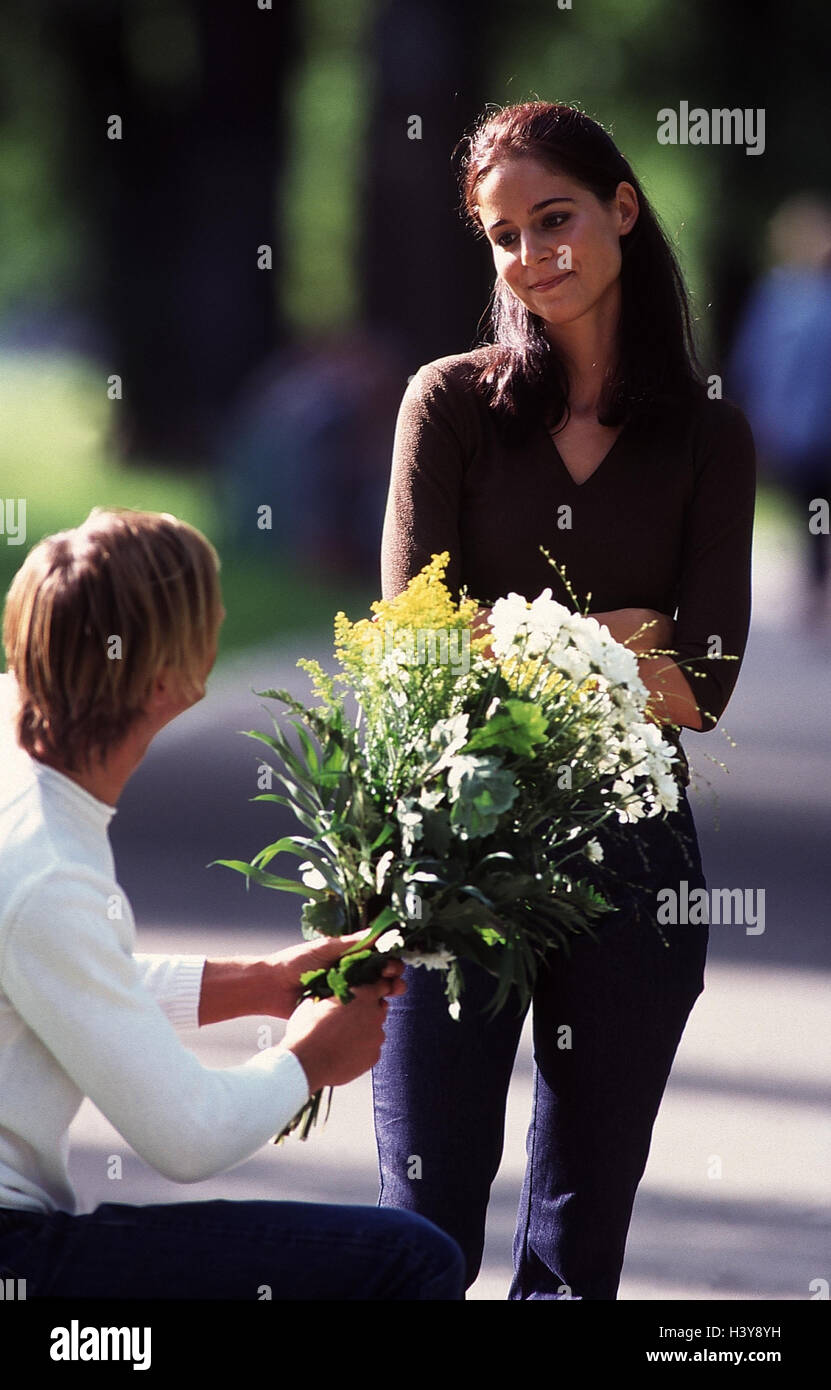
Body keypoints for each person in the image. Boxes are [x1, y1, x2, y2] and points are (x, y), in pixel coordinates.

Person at [371, 101, 756, 1299]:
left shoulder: (709, 436)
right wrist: (621, 636)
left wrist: (521, 629)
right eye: (503, 236)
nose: (531, 255)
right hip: (456, 836)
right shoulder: (448, 405)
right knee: (421, 1222)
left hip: (635, 854)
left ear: (622, 212)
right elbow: (417, 656)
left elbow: (704, 688)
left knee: (580, 1239)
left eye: (555, 220)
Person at [0, 507, 464, 1300]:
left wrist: (256, 982)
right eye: (206, 612)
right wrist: (309, 1059)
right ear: (164, 683)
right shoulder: (51, 870)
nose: (219, 616)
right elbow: (186, 1135)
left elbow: (48, 973)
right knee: (411, 1259)